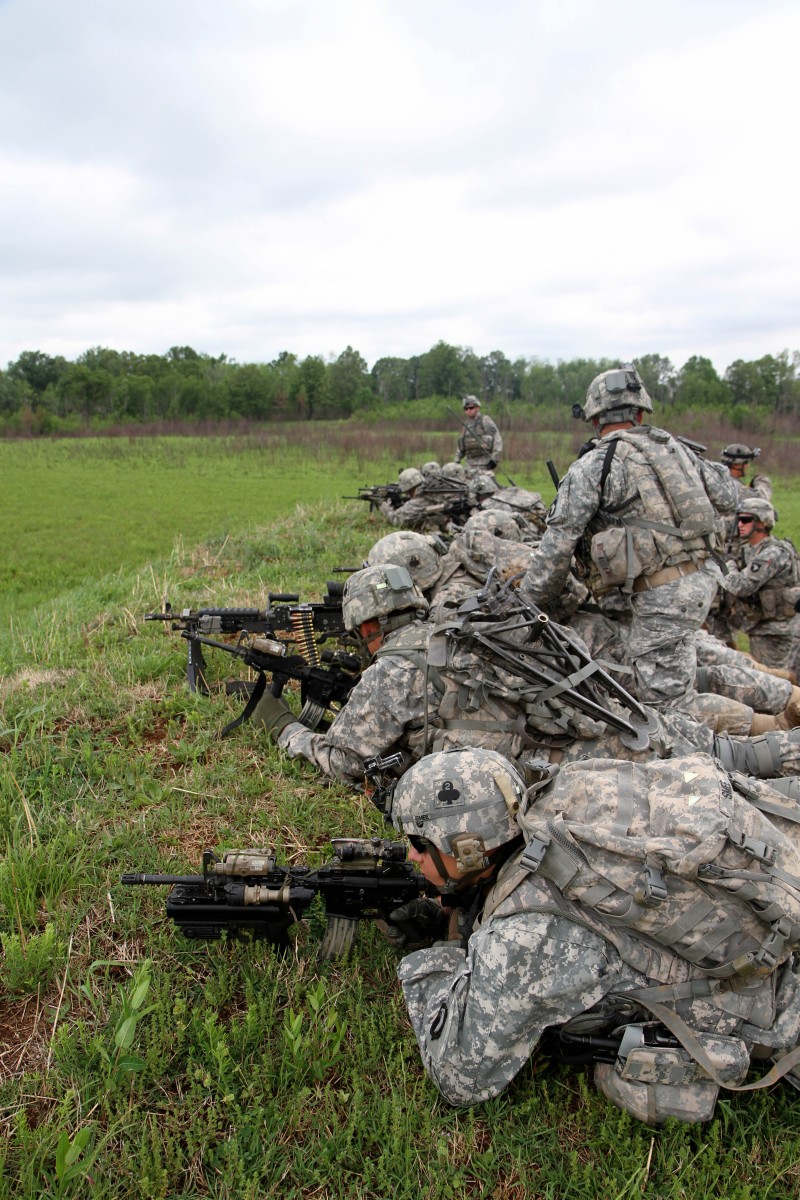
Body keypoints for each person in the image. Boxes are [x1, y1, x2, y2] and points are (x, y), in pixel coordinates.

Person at [387, 747, 800, 1124]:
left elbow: (460, 1077)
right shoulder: (559, 803)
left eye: (420, 843)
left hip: (768, 1012)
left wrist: (444, 950)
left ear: (469, 849)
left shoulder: (525, 935)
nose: (412, 855)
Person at [249, 564, 800, 787]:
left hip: (565, 770)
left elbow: (345, 764)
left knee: (728, 785)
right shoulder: (470, 625)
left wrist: (287, 730)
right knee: (736, 756)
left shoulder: (393, 670)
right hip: (614, 722)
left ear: (367, 625)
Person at [518, 365, 737, 714]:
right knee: (670, 678)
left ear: (594, 420)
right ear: (640, 413)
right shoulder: (675, 449)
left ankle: (762, 741)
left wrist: (527, 603)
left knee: (666, 711)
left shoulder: (595, 464)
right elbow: (729, 496)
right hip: (703, 577)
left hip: (663, 594)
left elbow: (556, 548)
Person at [722, 499, 800, 672]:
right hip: (764, 627)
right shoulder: (755, 550)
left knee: (773, 679)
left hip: (774, 631)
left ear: (762, 522)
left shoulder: (771, 554)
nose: (740, 525)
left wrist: (728, 565)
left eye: (746, 520)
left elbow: (740, 586)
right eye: (739, 520)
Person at [455, 396, 503, 478]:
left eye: (471, 408)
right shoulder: (466, 425)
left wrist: (495, 457)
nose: (468, 410)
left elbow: (496, 438)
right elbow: (461, 445)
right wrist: (457, 460)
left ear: (477, 408)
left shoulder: (485, 420)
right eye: (466, 409)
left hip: (484, 464)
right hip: (469, 465)